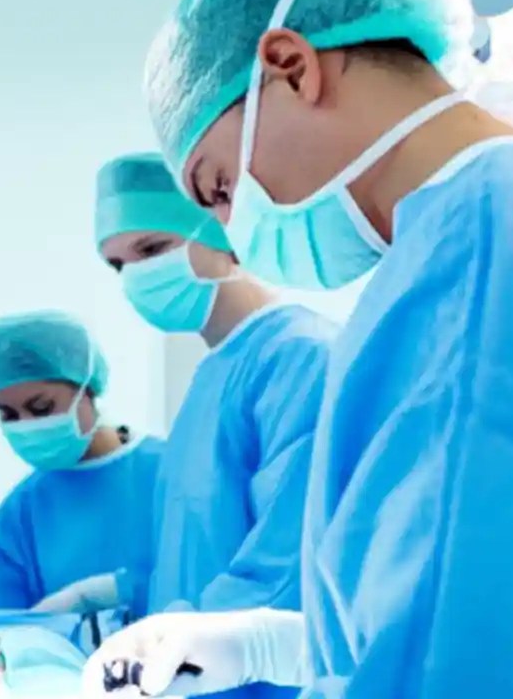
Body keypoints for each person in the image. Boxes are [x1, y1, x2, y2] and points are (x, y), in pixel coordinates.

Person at [85, 0, 513, 698]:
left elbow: (476, 654)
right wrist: (271, 646)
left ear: (291, 67)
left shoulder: (491, 236)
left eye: (219, 186)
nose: (229, 232)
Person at [94, 152, 335, 699]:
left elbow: (288, 572)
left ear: (224, 228)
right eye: (117, 265)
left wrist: (190, 647)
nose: (135, 276)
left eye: (152, 249)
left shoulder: (300, 358)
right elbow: (198, 552)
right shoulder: (211, 378)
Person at [0, 310, 163, 616]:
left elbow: (213, 578)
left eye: (41, 407)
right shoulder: (15, 520)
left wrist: (121, 590)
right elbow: (1, 643)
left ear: (87, 389)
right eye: (8, 415)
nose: (26, 425)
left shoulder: (172, 474)